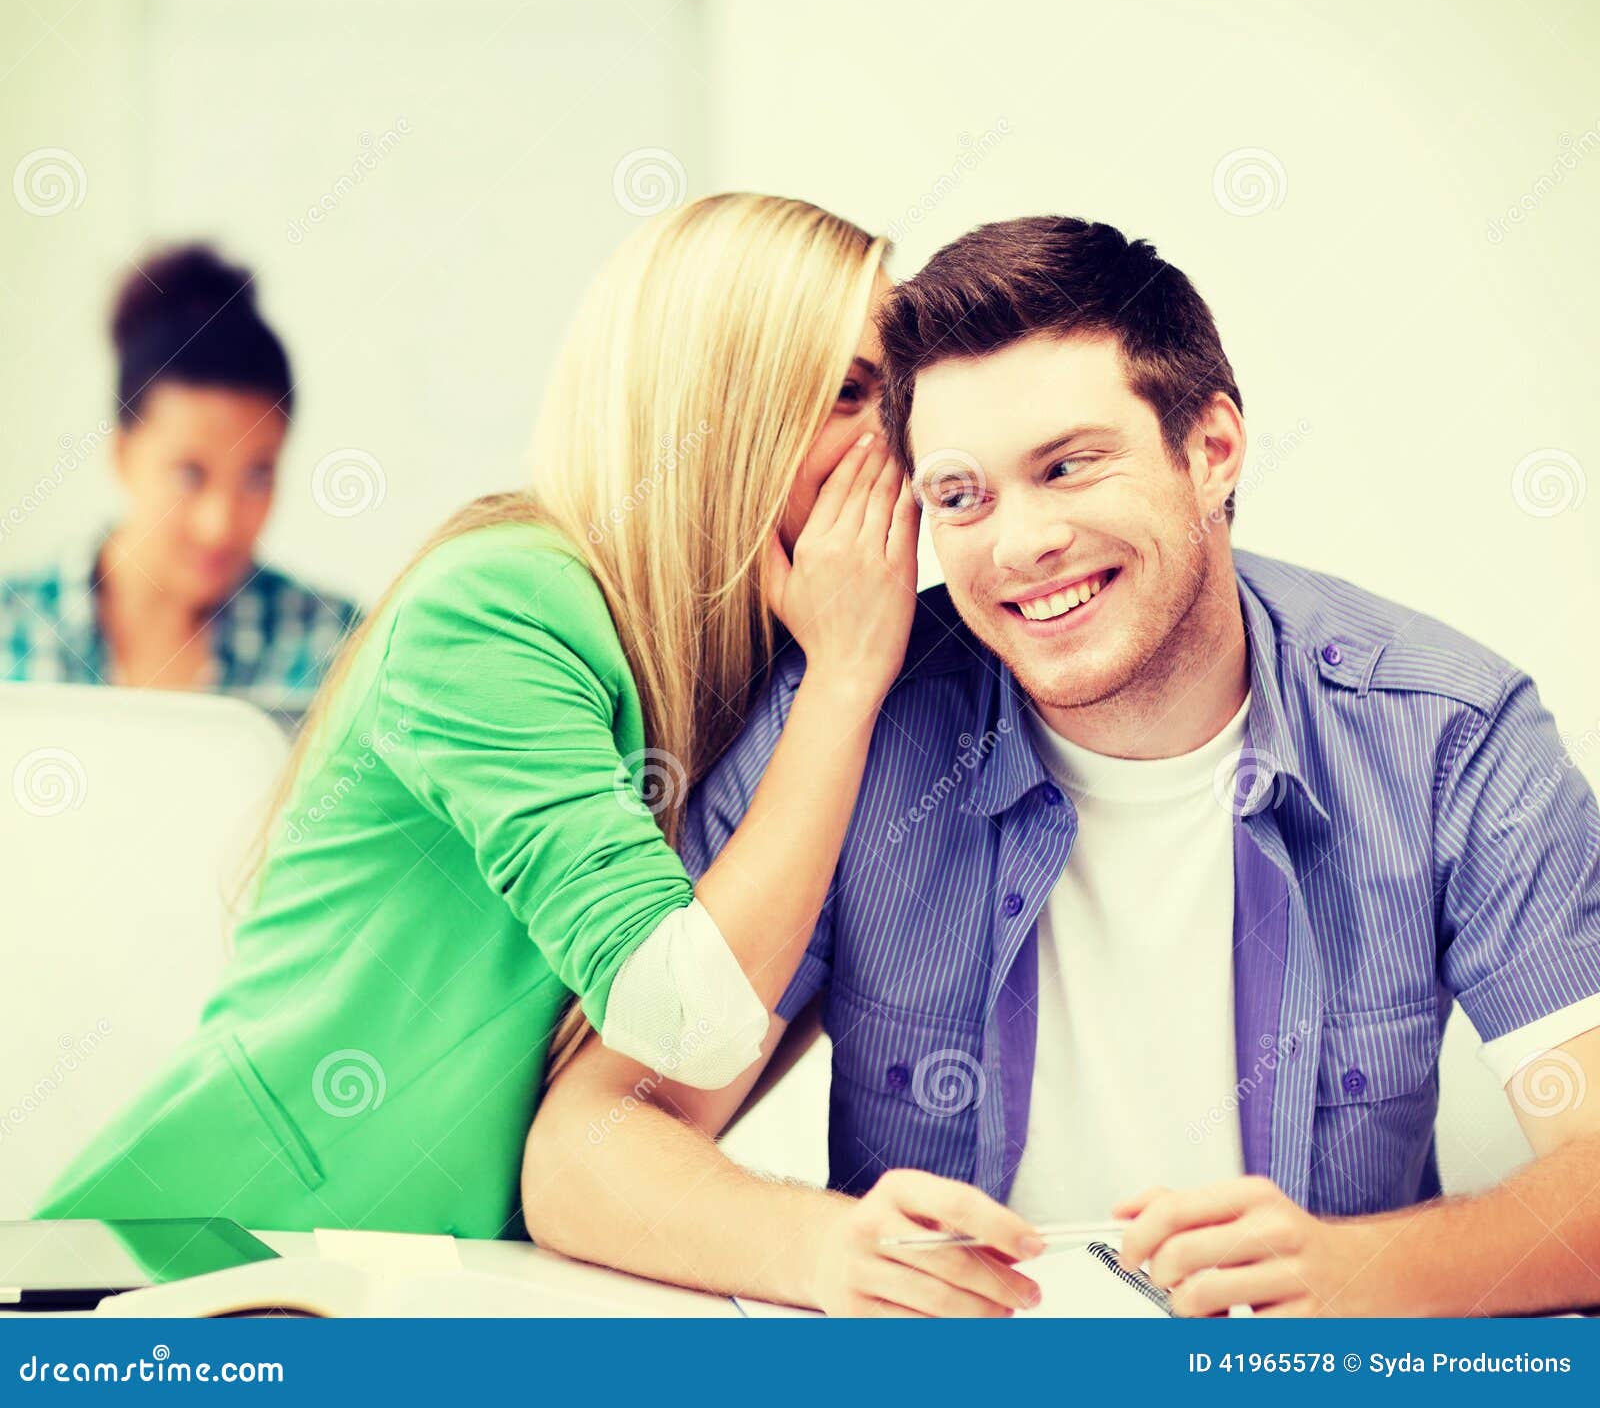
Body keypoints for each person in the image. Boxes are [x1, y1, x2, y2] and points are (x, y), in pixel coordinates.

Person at [525, 215, 1600, 1318]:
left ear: (1211, 448)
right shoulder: (849, 719)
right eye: (960, 494)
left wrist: (1361, 1273)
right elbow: (585, 1146)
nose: (1020, 544)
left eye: (1068, 466)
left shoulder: (1447, 735)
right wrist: (821, 1249)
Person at [33, 194, 918, 1239]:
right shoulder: (497, 605)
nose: (899, 442)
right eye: (851, 390)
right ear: (723, 407)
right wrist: (849, 678)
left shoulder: (761, 673)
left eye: (897, 397)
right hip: (203, 1265)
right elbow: (690, 1021)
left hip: (446, 1287)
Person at [0, 244, 360, 731]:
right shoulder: (13, 628)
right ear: (123, 456)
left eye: (258, 477)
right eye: (190, 475)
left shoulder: (333, 646)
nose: (220, 526)